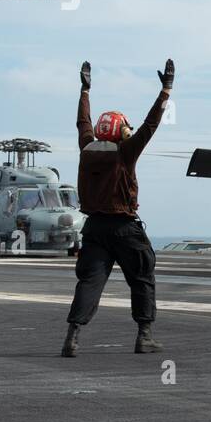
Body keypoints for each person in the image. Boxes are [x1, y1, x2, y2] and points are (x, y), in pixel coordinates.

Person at [61, 58, 174, 358]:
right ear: (120, 130)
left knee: (90, 281)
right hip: (124, 228)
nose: (129, 130)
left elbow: (82, 123)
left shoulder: (87, 148)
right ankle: (144, 336)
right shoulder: (126, 152)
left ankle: (72, 337)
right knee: (142, 277)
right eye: (125, 127)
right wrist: (165, 91)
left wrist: (85, 91)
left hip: (94, 229)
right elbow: (151, 125)